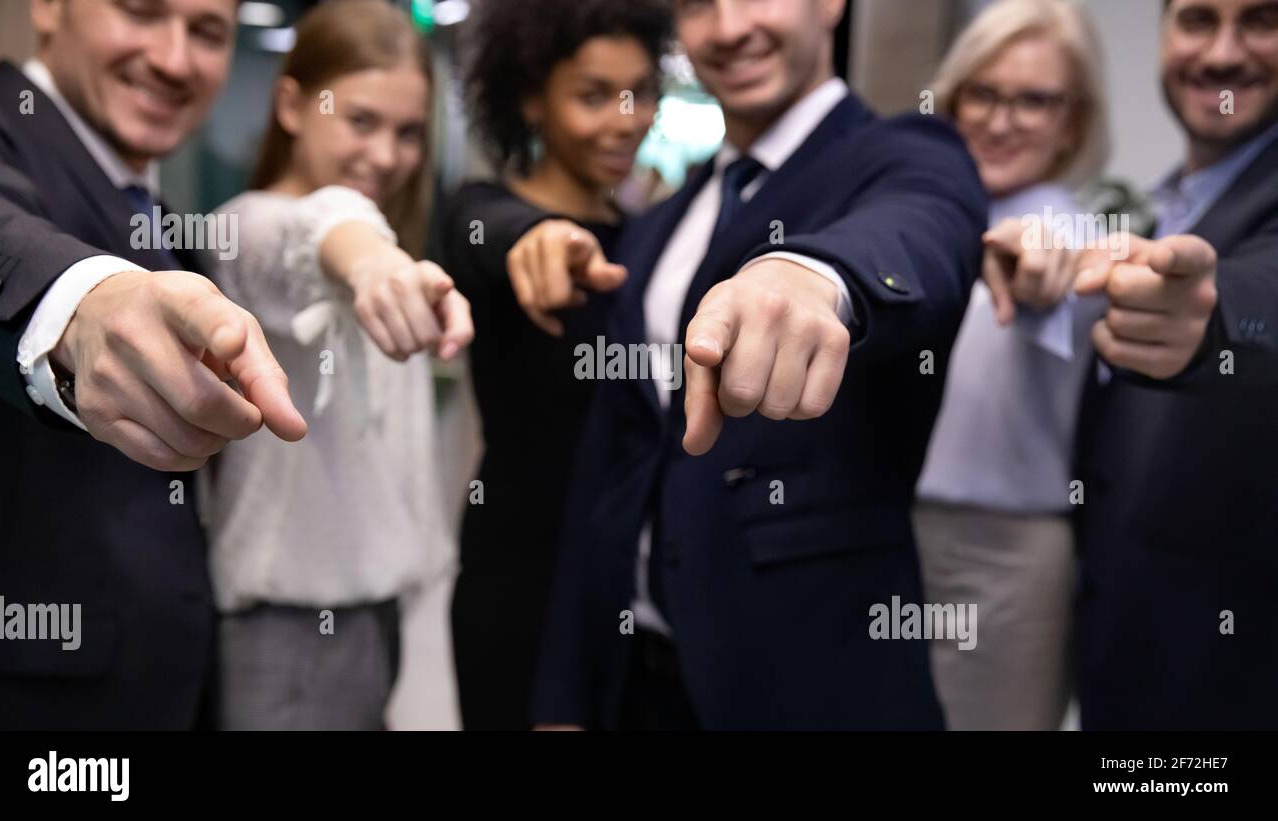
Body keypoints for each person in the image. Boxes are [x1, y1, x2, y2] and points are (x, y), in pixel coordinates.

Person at [517, 0, 987, 730]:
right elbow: (609, 466)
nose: (730, 28)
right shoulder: (658, 223)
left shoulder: (906, 153)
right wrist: (563, 696)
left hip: (808, 687)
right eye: (700, 5)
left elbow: (923, 226)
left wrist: (815, 274)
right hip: (635, 686)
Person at [0, 0, 305, 730]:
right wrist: (86, 303)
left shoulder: (162, 218)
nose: (174, 59)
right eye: (141, 11)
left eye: (208, 33)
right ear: (49, 7)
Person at [989, 0, 1278, 729]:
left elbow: (1254, 291)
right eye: (1196, 20)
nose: (1220, 53)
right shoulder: (1156, 203)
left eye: (1262, 20)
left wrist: (1215, 322)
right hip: (1131, 656)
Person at [205, 0, 472, 730]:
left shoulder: (395, 248)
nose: (385, 154)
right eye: (361, 121)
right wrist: (376, 263)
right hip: (288, 629)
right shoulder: (242, 224)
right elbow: (312, 233)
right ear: (293, 104)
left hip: (393, 613)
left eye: (408, 132)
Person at [442, 0, 672, 731]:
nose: (625, 119)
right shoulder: (482, 209)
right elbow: (494, 238)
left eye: (640, 92)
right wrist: (540, 238)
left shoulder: (651, 237)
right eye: (593, 95)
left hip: (626, 589)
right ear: (532, 98)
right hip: (521, 584)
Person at [912, 0, 1110, 730]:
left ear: (1073, 119)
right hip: (891, 533)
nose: (1000, 121)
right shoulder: (925, 220)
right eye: (985, 93)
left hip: (1004, 555)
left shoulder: (1077, 235)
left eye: (1034, 100)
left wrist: (1037, 261)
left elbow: (1042, 260)